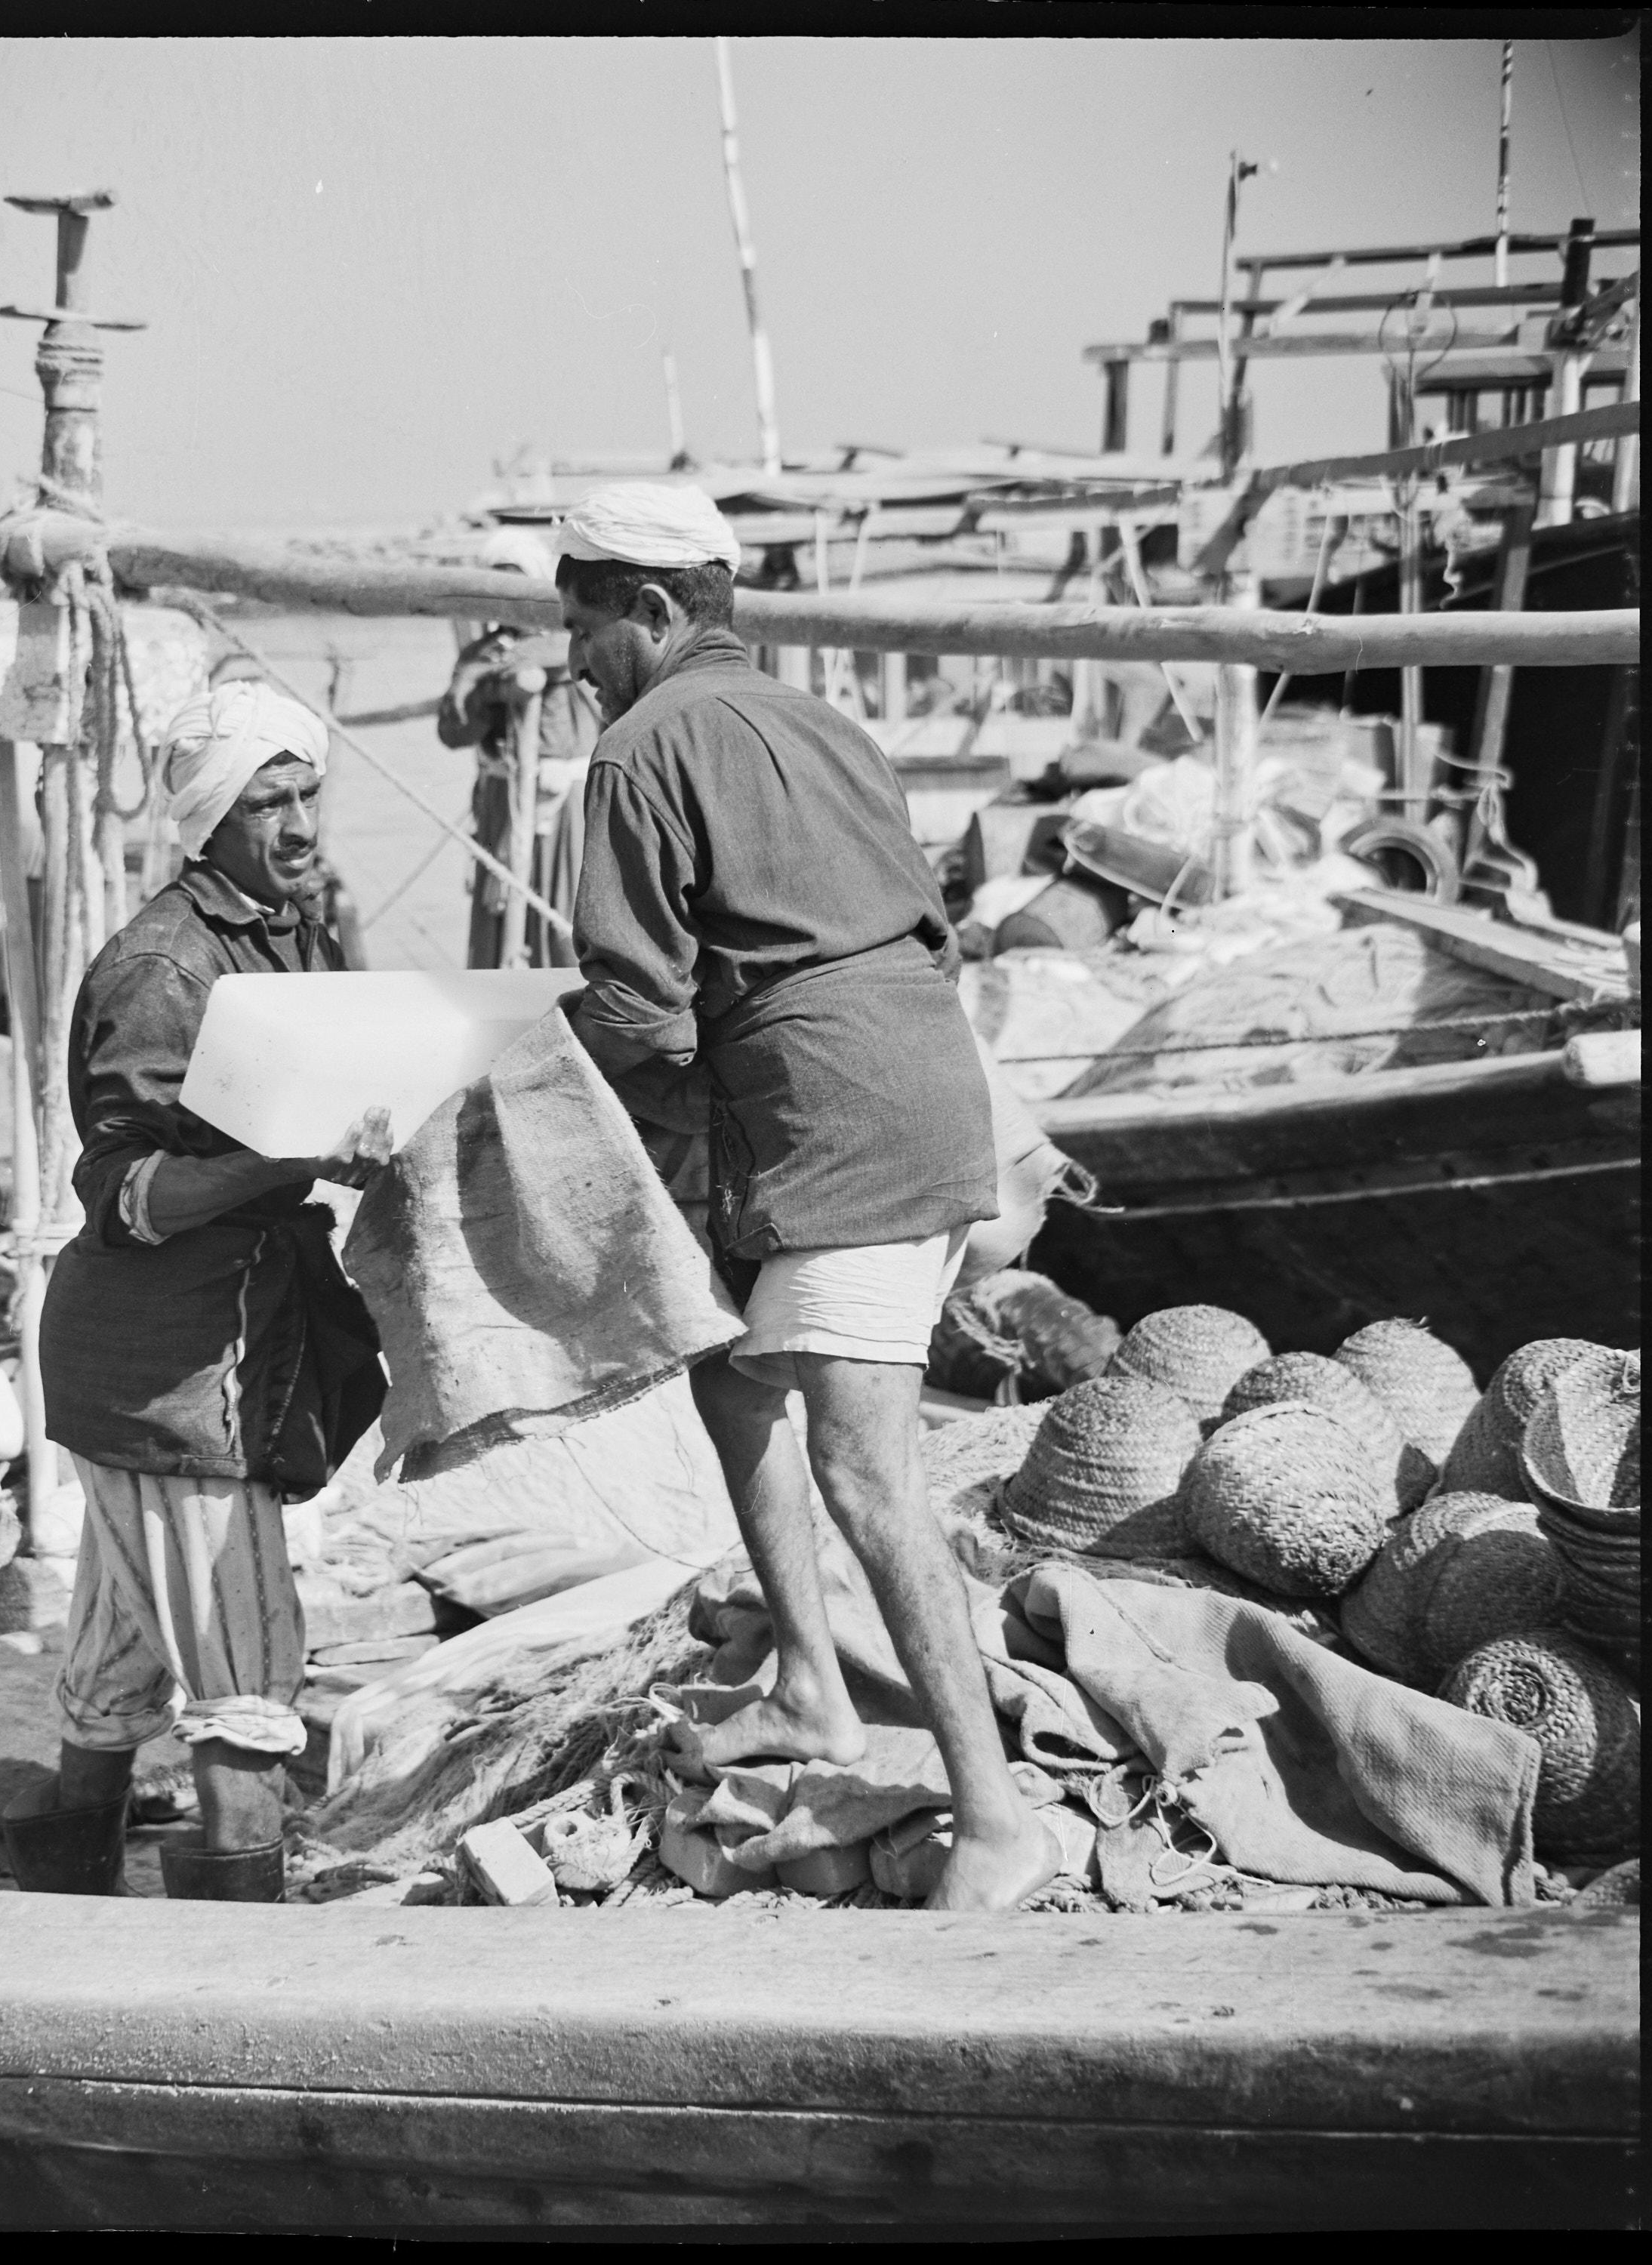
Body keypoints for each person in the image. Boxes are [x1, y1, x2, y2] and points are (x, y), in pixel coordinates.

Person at [554, 482, 1061, 1913]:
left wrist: (511, 1072)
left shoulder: (638, 748)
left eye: (582, 627)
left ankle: (996, 1820)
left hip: (840, 1125)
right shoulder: (824, 721)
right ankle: (809, 1685)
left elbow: (635, 1009)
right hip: (921, 1080)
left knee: (863, 1471)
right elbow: (925, 931)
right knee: (731, 1380)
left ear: (653, 610)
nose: (573, 660)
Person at [23, 681, 392, 1900]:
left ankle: (58, 1921)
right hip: (170, 1367)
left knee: (113, 1660)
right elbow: (120, 1190)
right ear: (207, 819)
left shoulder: (288, 929)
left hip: (205, 1345)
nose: (299, 825)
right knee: (246, 1676)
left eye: (306, 794)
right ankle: (244, 1961)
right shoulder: (163, 967)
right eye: (266, 803)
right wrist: (287, 1160)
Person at [438, 525, 598, 968]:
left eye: (517, 587)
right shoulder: (479, 655)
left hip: (567, 805)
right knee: (501, 919)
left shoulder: (576, 641)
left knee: (565, 920)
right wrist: (480, 689)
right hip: (502, 800)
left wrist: (492, 672)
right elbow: (453, 734)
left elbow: (564, 661)